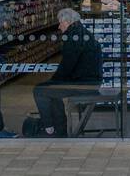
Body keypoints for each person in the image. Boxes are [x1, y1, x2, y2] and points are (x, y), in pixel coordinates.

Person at [32, 8, 103, 137]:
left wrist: (53, 82)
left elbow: (67, 66)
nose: (59, 27)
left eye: (60, 23)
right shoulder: (82, 32)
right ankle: (59, 129)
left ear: (68, 22)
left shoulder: (74, 37)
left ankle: (49, 129)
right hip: (89, 81)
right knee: (52, 91)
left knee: (39, 91)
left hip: (84, 85)